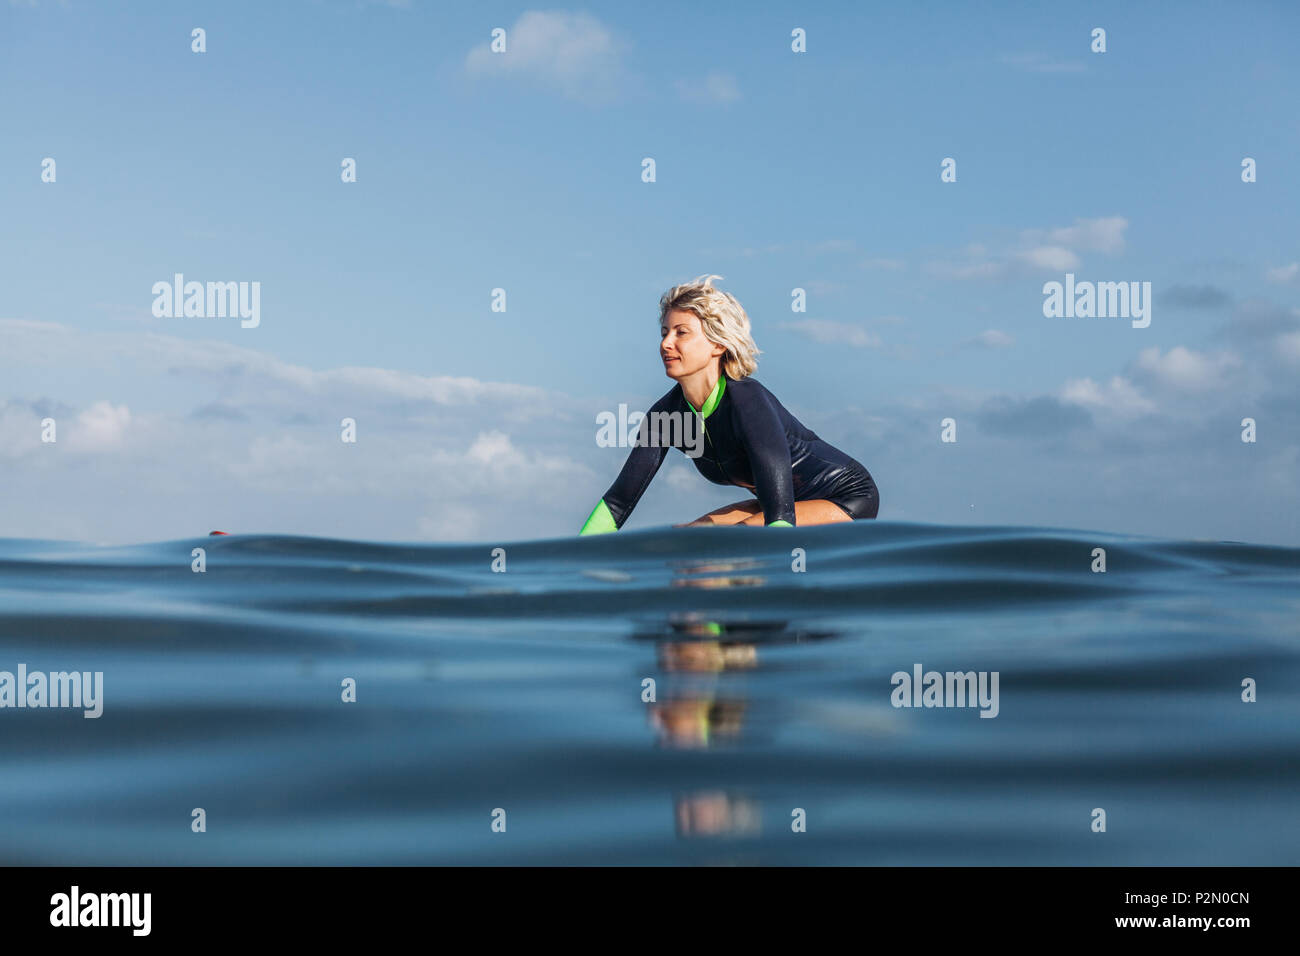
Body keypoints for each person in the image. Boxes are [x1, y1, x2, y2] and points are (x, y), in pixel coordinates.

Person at [580, 275, 879, 533]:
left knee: (730, 545)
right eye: (664, 332)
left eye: (681, 332)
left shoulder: (747, 403)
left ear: (718, 344)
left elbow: (780, 516)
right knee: (687, 539)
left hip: (845, 497)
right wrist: (573, 562)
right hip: (778, 502)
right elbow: (619, 501)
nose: (666, 343)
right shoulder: (666, 417)